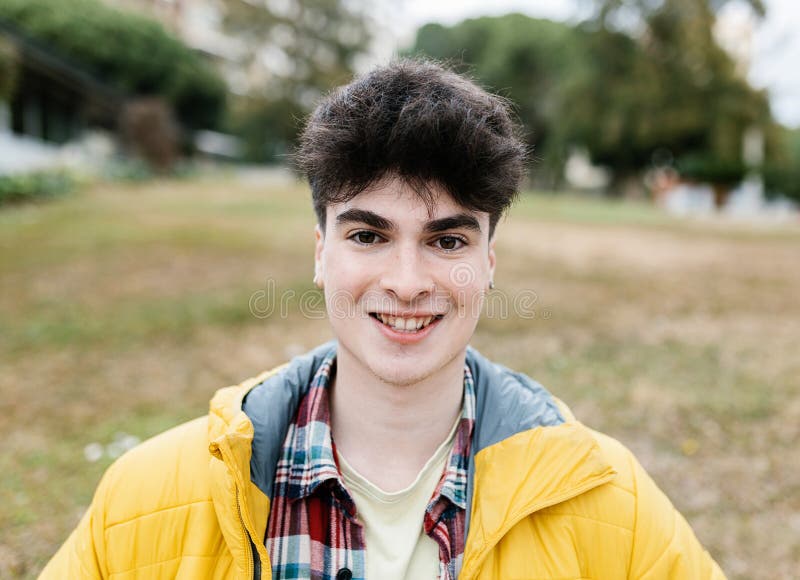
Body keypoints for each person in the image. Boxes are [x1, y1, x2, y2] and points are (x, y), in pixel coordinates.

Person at [41, 60, 725, 579]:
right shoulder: (149, 501)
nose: (406, 283)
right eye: (368, 236)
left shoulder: (610, 502)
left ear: (490, 261)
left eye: (448, 241)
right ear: (321, 254)